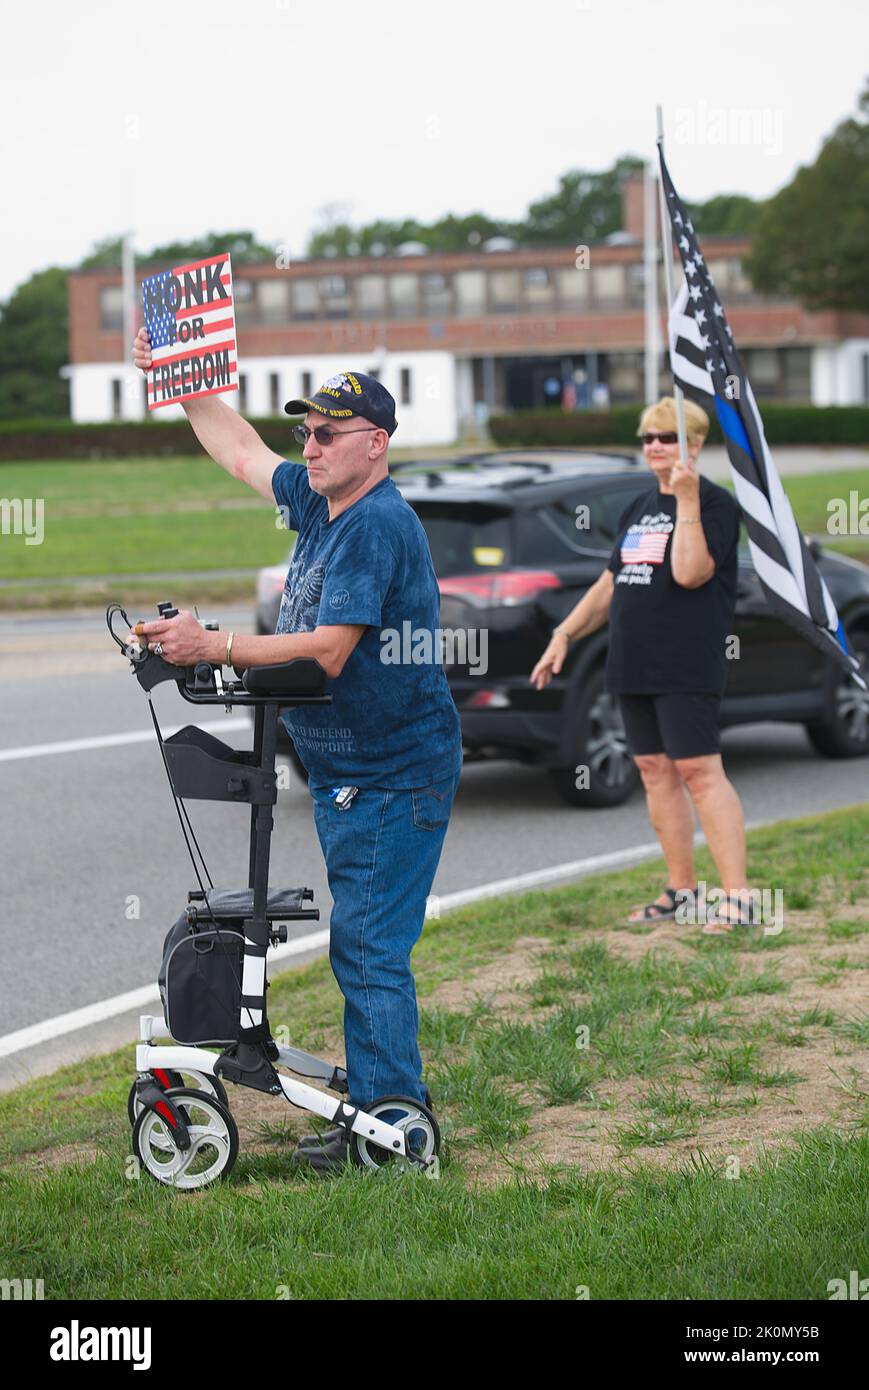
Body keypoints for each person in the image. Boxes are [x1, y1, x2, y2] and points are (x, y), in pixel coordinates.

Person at [132, 332, 463, 1169]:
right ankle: (380, 1101)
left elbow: (328, 650)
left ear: (374, 443)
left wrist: (217, 645)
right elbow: (239, 448)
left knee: (368, 951)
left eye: (327, 433)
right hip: (353, 773)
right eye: (305, 433)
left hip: (395, 775)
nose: (307, 447)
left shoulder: (376, 524)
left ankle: (394, 1132)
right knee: (363, 946)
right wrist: (177, 372)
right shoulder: (322, 501)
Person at [530, 396, 753, 932]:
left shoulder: (715, 506)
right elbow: (610, 583)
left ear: (694, 445)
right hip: (633, 661)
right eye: (648, 438)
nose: (655, 446)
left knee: (700, 772)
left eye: (667, 438)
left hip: (686, 662)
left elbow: (690, 573)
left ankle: (739, 897)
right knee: (654, 772)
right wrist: (564, 633)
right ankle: (681, 891)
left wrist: (687, 499)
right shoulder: (637, 508)